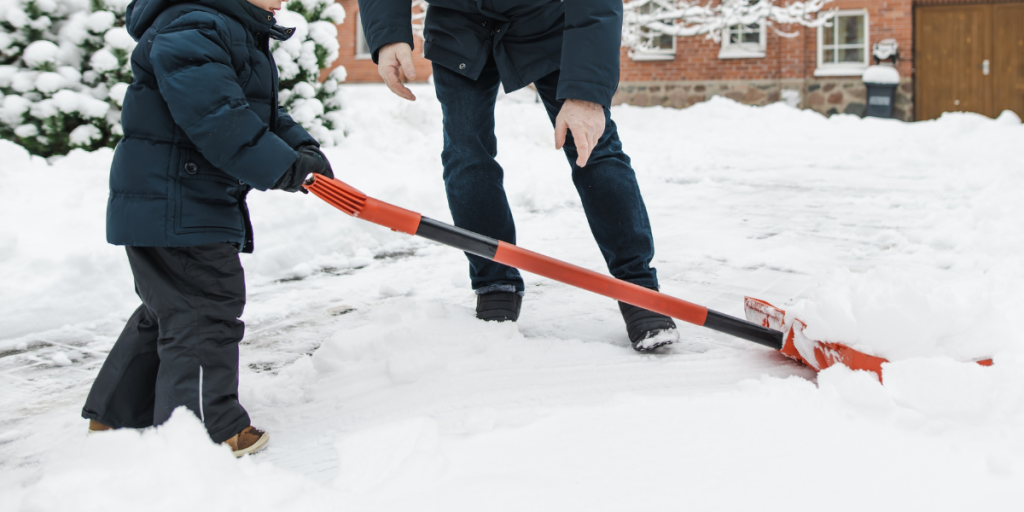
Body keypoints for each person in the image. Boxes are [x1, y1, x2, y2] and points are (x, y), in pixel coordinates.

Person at [80, 0, 332, 456]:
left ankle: (118, 414)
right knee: (202, 310)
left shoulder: (221, 25)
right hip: (178, 198)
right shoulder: (197, 24)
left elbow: (257, 114)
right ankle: (204, 431)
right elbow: (216, 117)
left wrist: (303, 151)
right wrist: (282, 168)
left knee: (172, 308)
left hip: (175, 196)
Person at [358, 0, 679, 351]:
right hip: (458, 24)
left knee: (593, 148)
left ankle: (637, 287)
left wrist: (586, 94)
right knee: (466, 155)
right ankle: (496, 283)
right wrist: (388, 34)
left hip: (547, 20)